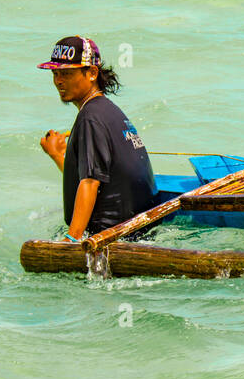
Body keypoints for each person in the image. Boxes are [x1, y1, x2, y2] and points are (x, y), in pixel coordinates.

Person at [37, 36, 159, 242]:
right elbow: (97, 175)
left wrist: (72, 240)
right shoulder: (107, 111)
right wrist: (58, 155)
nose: (58, 80)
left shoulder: (90, 118)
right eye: (55, 73)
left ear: (92, 73)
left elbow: (91, 182)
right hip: (139, 230)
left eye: (66, 73)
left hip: (110, 237)